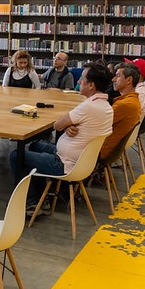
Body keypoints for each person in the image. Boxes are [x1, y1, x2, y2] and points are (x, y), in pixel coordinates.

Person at [9, 62, 113, 216]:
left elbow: (57, 125)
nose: (79, 81)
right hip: (81, 160)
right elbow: (67, 125)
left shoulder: (88, 107)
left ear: (91, 85)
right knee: (35, 146)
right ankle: (41, 196)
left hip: (66, 164)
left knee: (16, 156)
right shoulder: (105, 106)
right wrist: (67, 126)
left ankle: (32, 203)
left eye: (82, 79)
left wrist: (65, 125)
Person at [99, 62, 142, 161]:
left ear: (129, 80)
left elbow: (97, 124)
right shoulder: (132, 101)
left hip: (98, 151)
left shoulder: (125, 104)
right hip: (103, 149)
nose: (113, 79)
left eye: (117, 76)